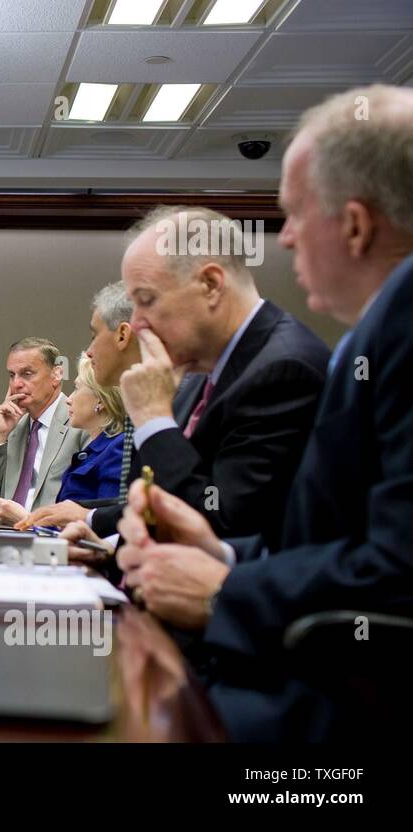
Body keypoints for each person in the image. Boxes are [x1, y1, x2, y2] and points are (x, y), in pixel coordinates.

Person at [73, 85, 413, 739]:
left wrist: (229, 585)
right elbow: (321, 542)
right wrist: (223, 553)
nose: (282, 239)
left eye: (292, 215)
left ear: (355, 224)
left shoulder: (366, 336)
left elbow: (397, 574)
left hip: (329, 699)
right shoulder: (374, 330)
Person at [87, 205, 330, 549]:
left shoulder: (284, 370)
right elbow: (156, 505)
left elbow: (221, 523)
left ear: (211, 284)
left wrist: (153, 421)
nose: (137, 322)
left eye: (147, 300)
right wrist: (108, 549)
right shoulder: (200, 369)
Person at [0, 353, 126, 526]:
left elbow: (104, 527)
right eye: (12, 375)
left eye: (77, 388)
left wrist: (25, 520)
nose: (69, 399)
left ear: (100, 401)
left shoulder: (116, 450)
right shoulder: (93, 451)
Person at [0, 337, 88, 515]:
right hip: (2, 536)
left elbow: (86, 506)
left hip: (50, 537)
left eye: (27, 373)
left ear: (57, 374)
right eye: (11, 375)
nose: (16, 384)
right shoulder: (12, 427)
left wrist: (26, 521)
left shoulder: (80, 423)